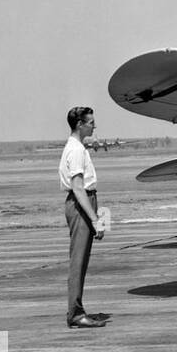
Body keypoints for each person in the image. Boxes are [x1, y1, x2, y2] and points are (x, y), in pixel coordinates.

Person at [60, 106, 109, 328]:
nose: (94, 126)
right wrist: (95, 219)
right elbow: (78, 188)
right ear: (80, 124)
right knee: (78, 262)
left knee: (80, 260)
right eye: (90, 123)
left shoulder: (76, 147)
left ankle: (77, 310)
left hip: (83, 202)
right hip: (81, 203)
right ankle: (76, 314)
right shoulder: (77, 150)